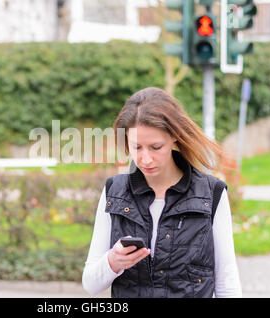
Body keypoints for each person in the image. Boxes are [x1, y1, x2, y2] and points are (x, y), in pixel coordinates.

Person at [82, 87, 242, 298]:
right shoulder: (114, 191)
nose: (145, 159)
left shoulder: (211, 194)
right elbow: (90, 284)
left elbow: (227, 282)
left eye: (155, 147)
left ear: (174, 136)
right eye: (136, 148)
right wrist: (112, 261)